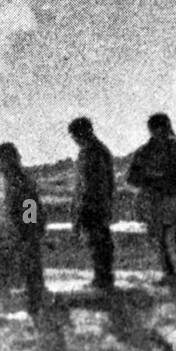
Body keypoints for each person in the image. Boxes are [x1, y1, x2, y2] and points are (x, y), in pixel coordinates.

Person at [127, 112, 176, 286]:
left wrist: (165, 180)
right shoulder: (144, 151)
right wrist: (150, 179)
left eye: (163, 129)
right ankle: (169, 274)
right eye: (156, 130)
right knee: (160, 240)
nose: (160, 133)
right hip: (154, 201)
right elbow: (132, 178)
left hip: (174, 199)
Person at [0, 142, 46, 314]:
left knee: (30, 264)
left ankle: (35, 302)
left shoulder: (20, 180)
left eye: (2, 160)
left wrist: (27, 232)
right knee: (26, 265)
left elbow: (29, 206)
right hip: (22, 229)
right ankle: (33, 299)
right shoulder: (14, 178)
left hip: (26, 230)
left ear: (11, 159)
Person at [67, 117, 115, 291]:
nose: (74, 140)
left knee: (99, 242)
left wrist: (84, 206)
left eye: (75, 136)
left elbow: (98, 183)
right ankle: (101, 278)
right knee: (96, 243)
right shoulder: (88, 151)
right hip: (92, 203)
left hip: (94, 203)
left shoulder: (95, 152)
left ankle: (104, 280)